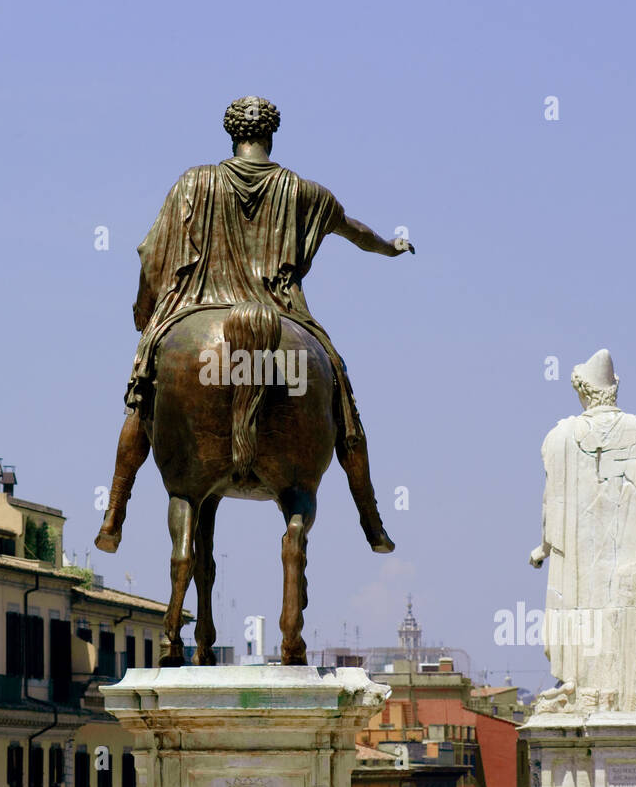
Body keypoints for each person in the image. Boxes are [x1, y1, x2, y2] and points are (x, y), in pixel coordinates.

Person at [96, 95, 413, 555]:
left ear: (231, 134)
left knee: (139, 400)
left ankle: (114, 515)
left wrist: (145, 313)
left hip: (195, 308)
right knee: (342, 402)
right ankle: (372, 521)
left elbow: (151, 255)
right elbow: (356, 232)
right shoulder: (304, 192)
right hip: (284, 312)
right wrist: (392, 246)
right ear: (271, 133)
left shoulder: (194, 183)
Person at [528, 350, 636, 713]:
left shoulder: (560, 437)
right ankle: (622, 698)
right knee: (618, 623)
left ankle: (583, 690)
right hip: (628, 563)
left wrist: (544, 546)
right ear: (614, 389)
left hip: (579, 563)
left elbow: (551, 504)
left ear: (583, 391)